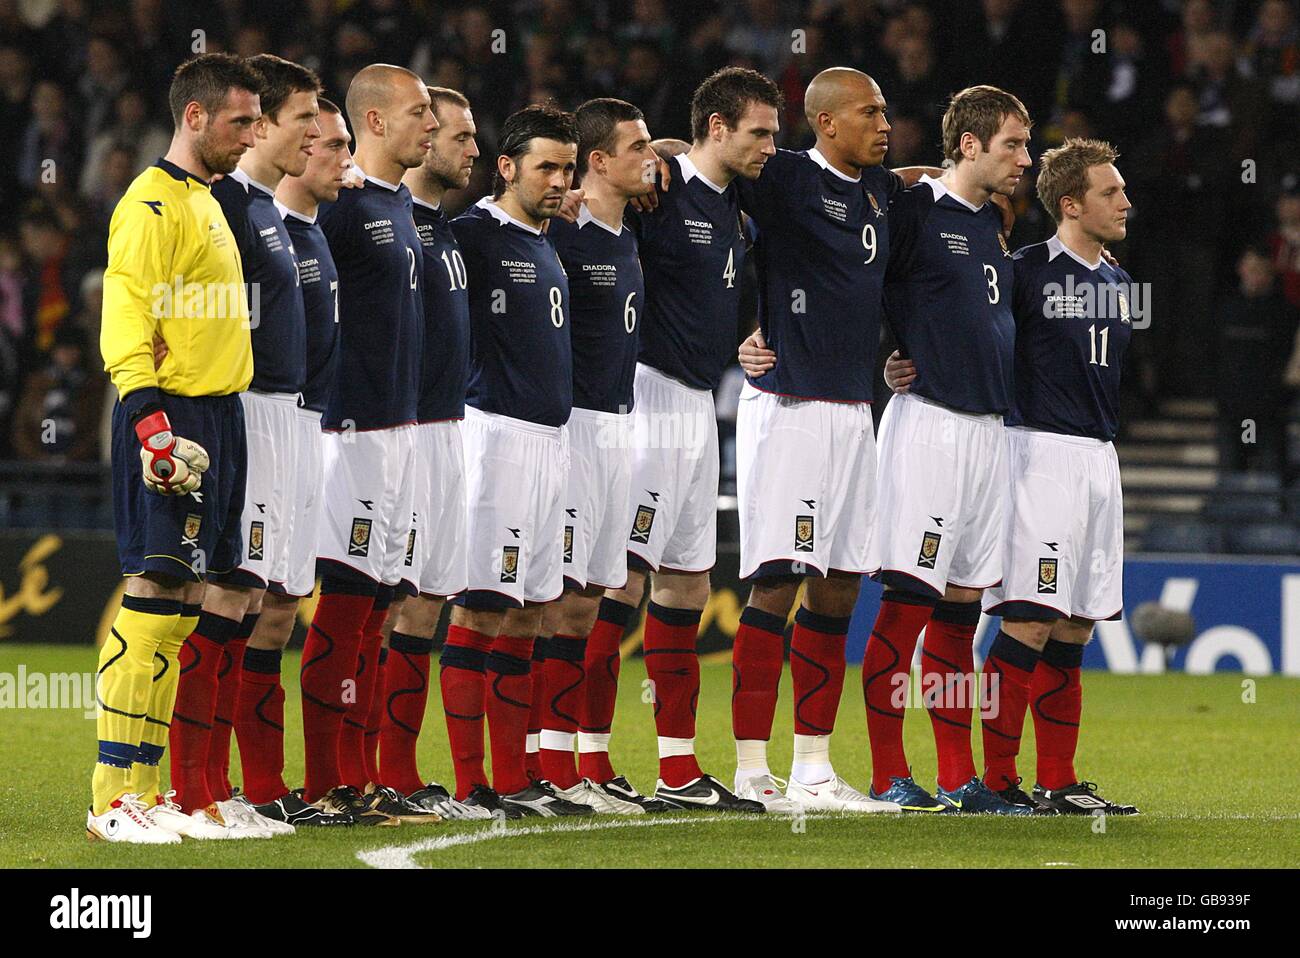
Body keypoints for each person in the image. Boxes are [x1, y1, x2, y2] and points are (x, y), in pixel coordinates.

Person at [884, 138, 1142, 815]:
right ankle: (999, 779)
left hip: (1098, 460)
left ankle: (1058, 780)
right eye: (1111, 193)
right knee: (1029, 619)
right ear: (1070, 204)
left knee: (1077, 626)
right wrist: (897, 360)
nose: (1125, 203)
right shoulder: (1022, 270)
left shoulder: (1118, 282)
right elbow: (961, 325)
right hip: (1036, 456)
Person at [583, 67, 780, 812]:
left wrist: (748, 338)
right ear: (717, 128)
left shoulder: (734, 211)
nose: (770, 146)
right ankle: (587, 759)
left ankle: (676, 771)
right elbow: (596, 215)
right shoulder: (656, 191)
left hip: (698, 404)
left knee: (687, 583)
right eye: (759, 132)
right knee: (623, 579)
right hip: (647, 395)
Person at [725, 67, 913, 814]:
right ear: (827, 121)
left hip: (851, 413)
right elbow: (697, 172)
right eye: (870, 111)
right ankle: (748, 771)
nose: (884, 121)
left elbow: (929, 177)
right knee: (777, 582)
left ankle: (813, 770)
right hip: (790, 406)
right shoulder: (782, 177)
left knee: (837, 590)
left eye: (886, 110)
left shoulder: (882, 191)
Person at [89, 52, 260, 844]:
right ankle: (111, 797)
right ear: (194, 118)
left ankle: (148, 789)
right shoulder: (150, 206)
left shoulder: (208, 201)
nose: (250, 134)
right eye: (239, 121)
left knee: (185, 607)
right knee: (153, 601)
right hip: (175, 417)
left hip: (220, 418)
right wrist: (153, 427)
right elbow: (126, 323)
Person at [167, 53, 322, 836]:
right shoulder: (224, 203)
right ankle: (193, 789)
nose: (314, 132)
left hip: (288, 413)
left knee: (257, 601)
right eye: (302, 119)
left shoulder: (267, 209)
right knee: (228, 594)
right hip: (244, 410)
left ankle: (226, 787)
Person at [443, 104, 593, 818]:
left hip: (550, 442)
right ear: (506, 167)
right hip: (495, 436)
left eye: (569, 167)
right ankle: (473, 781)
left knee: (534, 610)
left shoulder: (548, 243)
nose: (561, 180)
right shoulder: (471, 234)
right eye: (547, 166)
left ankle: (515, 778)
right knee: (481, 610)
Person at [300, 63, 439, 825]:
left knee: (380, 607)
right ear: (377, 122)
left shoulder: (394, 204)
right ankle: (325, 781)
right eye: (420, 111)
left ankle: (359, 777)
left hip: (401, 431)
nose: (432, 124)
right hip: (349, 430)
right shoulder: (343, 206)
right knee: (346, 609)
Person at [531, 97, 672, 813]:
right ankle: (546, 764)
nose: (654, 157)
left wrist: (654, 155)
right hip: (570, 430)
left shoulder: (624, 232)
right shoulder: (563, 236)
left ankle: (582, 761)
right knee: (558, 603)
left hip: (621, 428)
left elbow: (661, 152)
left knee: (594, 601)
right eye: (638, 147)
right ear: (597, 162)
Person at [233, 96, 355, 826]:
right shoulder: (260, 225)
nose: (338, 157)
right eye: (327, 144)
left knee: (278, 609)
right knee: (236, 604)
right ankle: (214, 786)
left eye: (341, 143)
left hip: (308, 425)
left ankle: (267, 787)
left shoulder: (305, 232)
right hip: (259, 416)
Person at [372, 85, 490, 821]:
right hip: (395, 433)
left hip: (452, 432)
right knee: (385, 603)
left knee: (426, 606)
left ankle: (402, 771)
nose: (472, 149)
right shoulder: (376, 221)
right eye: (460, 135)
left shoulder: (452, 230)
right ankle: (364, 772)